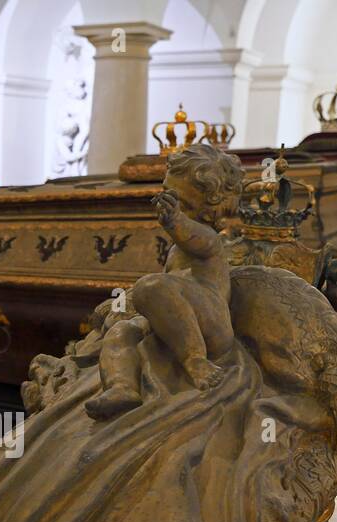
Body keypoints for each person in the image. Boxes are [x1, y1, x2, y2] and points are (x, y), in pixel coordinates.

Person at [85, 142, 245, 420]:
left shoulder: (209, 241)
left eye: (181, 203)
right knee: (121, 332)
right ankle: (122, 386)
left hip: (210, 324)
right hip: (176, 320)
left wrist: (174, 221)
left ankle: (195, 361)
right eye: (165, 194)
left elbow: (190, 237)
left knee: (151, 286)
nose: (167, 204)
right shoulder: (175, 250)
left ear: (211, 210)